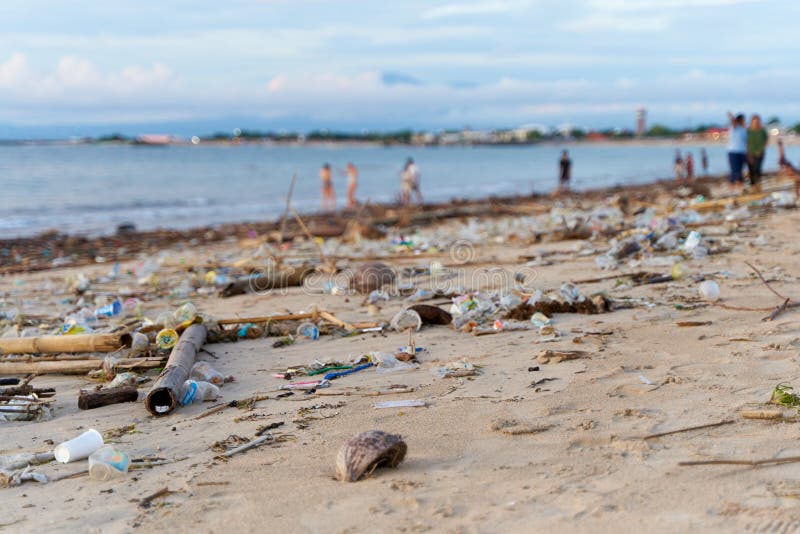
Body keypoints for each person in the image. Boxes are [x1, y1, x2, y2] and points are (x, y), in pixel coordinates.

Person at [726, 112, 747, 193]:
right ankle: (732, 189)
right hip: (733, 151)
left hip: (742, 152)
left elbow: (746, 142)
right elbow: (733, 121)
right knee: (735, 171)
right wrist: (731, 116)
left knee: (740, 171)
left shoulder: (743, 130)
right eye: (742, 120)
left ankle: (739, 189)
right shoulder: (734, 127)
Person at [746, 114, 768, 188]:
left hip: (760, 153)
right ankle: (752, 186)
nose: (756, 123)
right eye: (754, 122)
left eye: (757, 121)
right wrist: (748, 153)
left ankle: (758, 185)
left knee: (757, 169)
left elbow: (766, 140)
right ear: (751, 122)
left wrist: (761, 150)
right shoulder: (748, 131)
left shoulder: (762, 131)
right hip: (750, 153)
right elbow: (745, 142)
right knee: (751, 170)